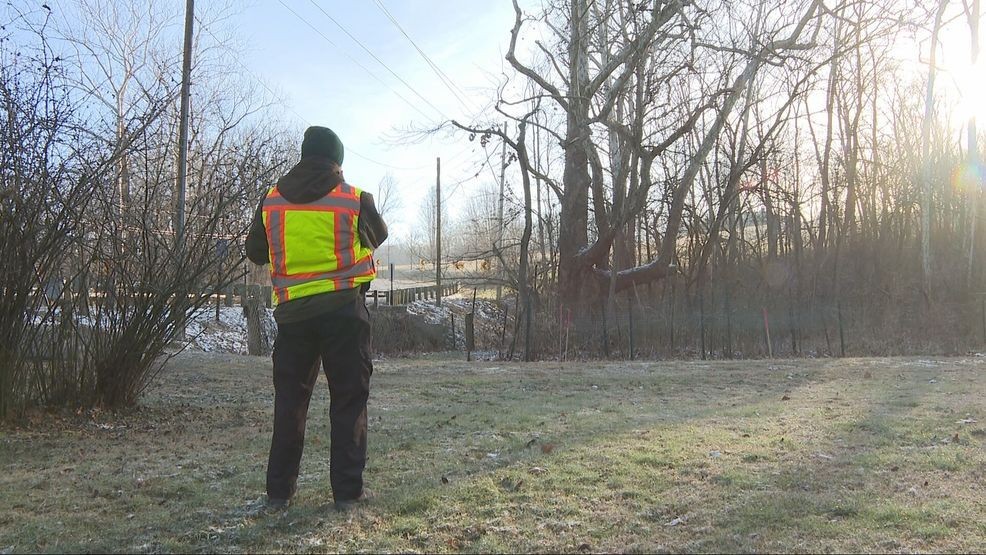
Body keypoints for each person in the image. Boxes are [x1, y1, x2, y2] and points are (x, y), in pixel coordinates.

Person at [245, 125, 387, 512]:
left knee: (290, 402)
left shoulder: (271, 202)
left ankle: (278, 495)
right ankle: (347, 495)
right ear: (337, 161)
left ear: (304, 157)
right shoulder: (355, 199)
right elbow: (379, 236)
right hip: (343, 312)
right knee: (348, 401)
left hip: (293, 316)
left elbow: (255, 252)